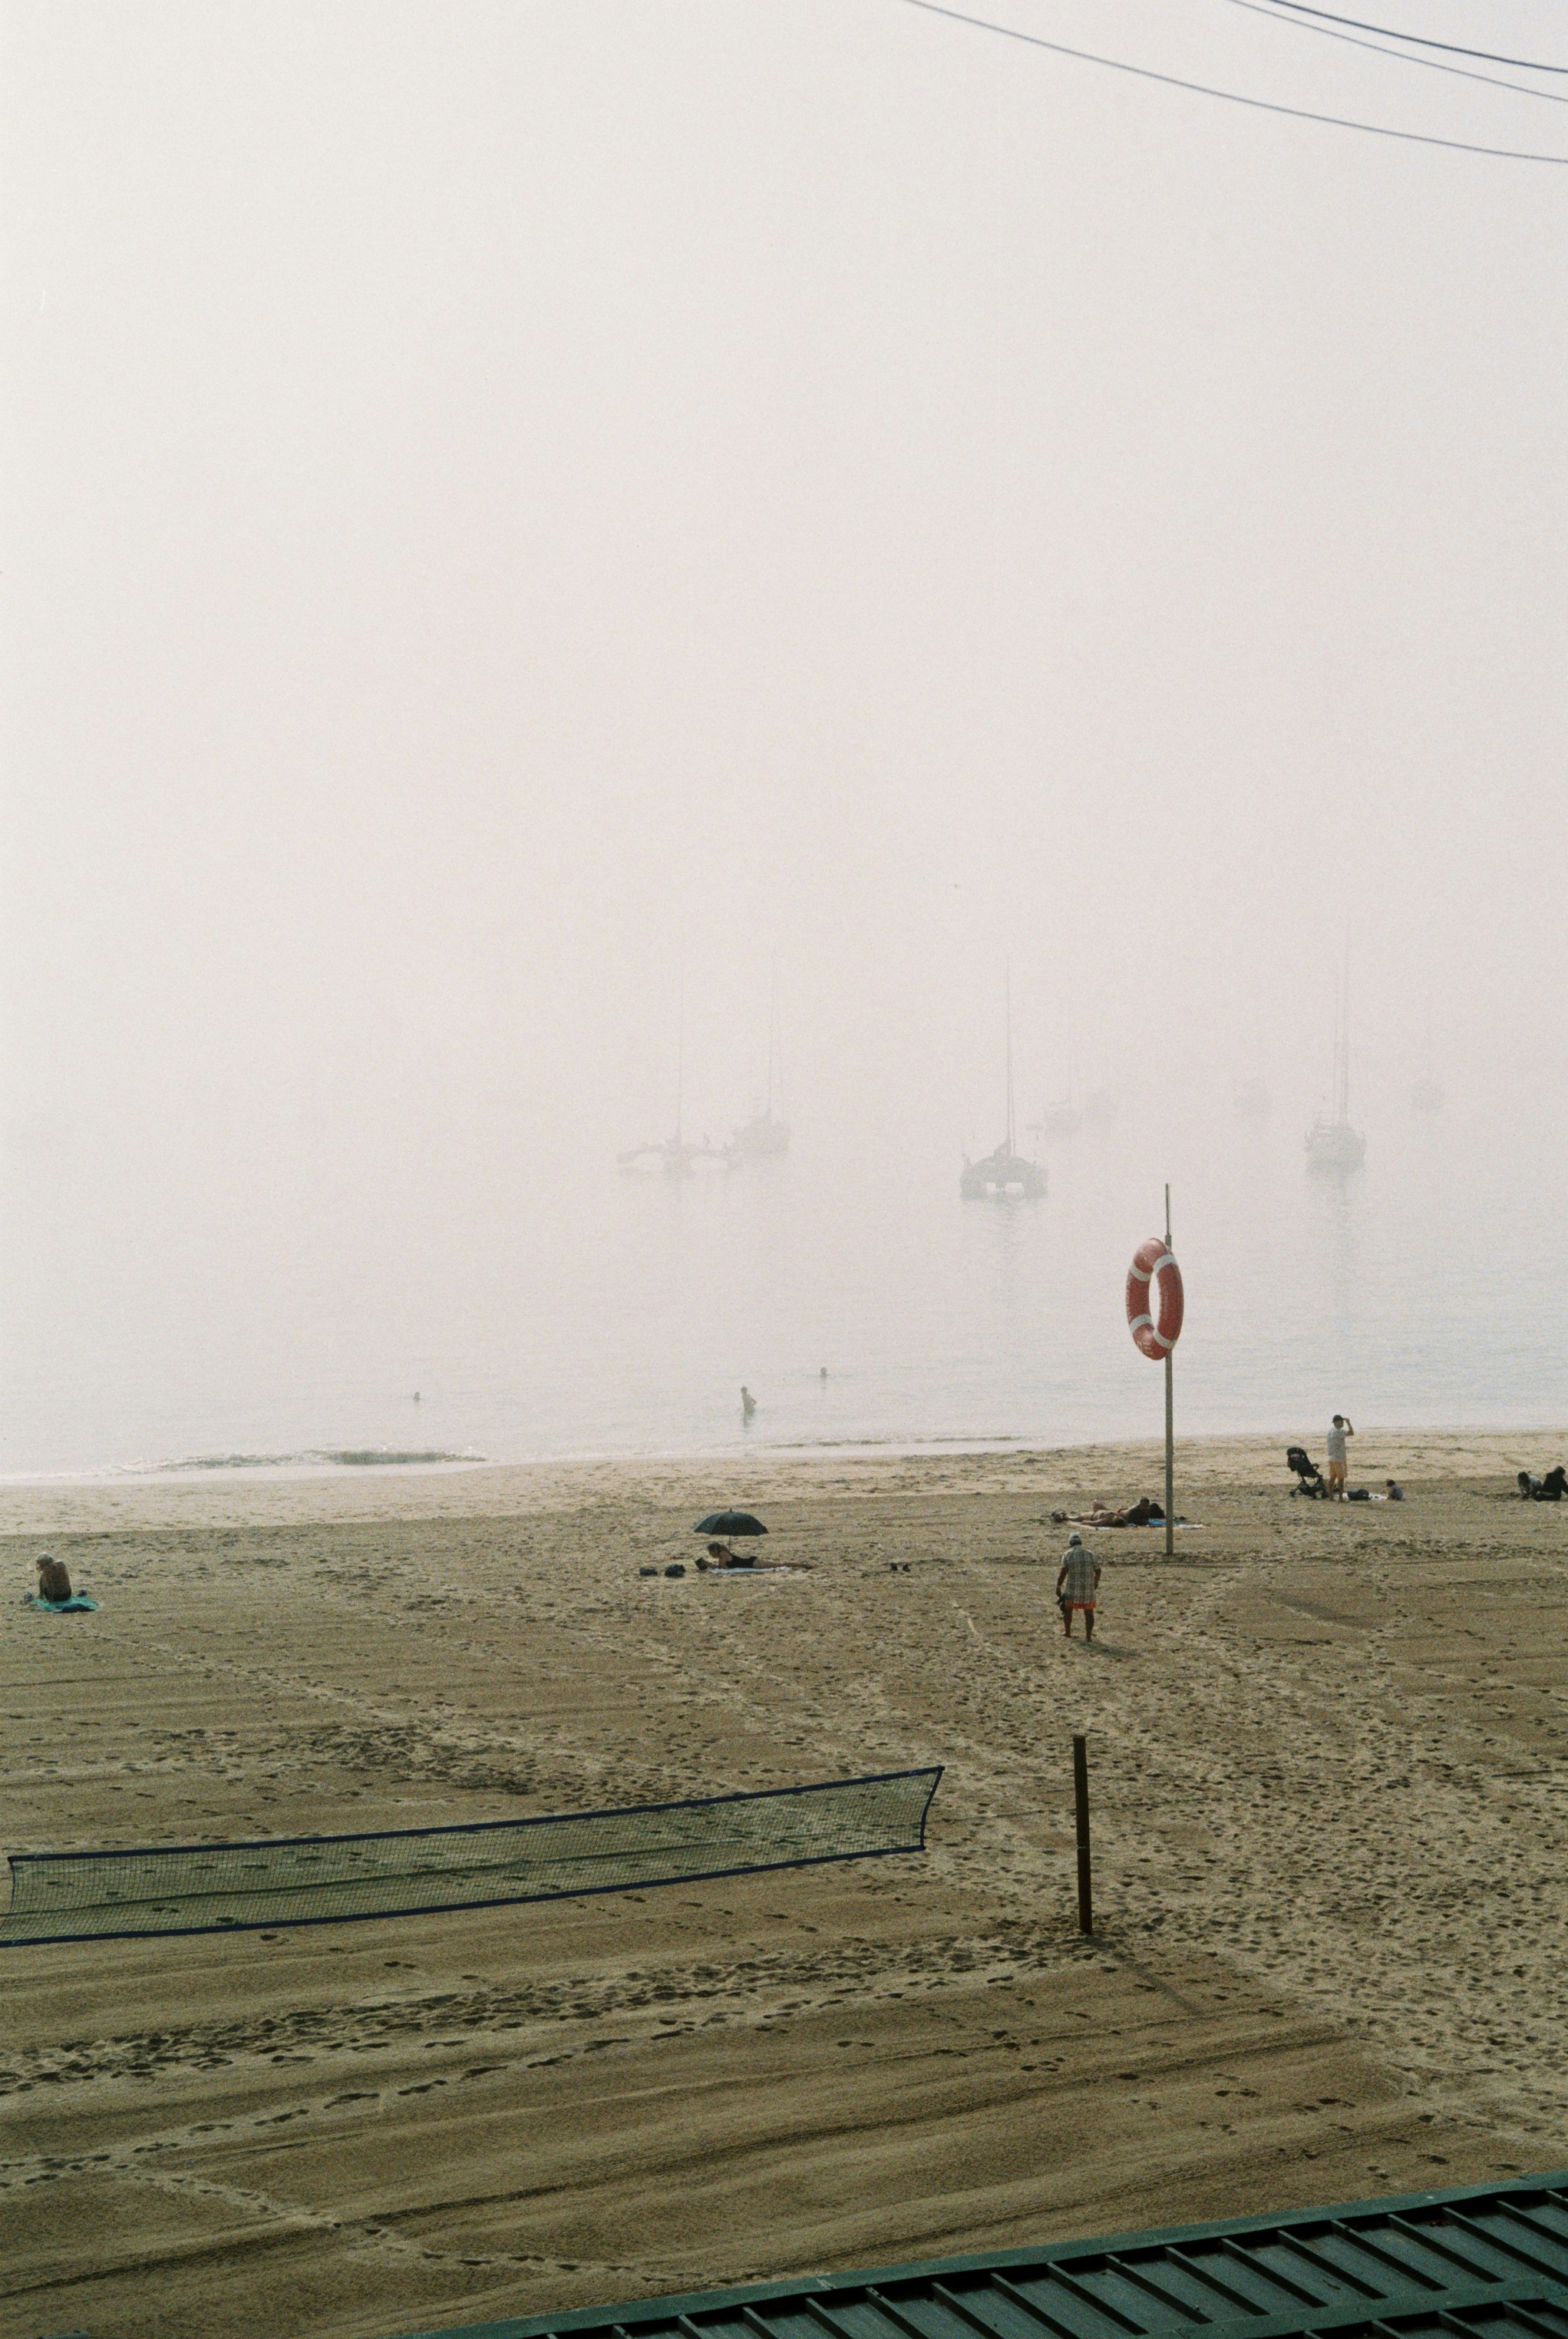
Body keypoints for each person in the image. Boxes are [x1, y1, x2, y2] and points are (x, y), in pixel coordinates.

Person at [1055, 1532, 1101, 1640]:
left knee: (1068, 1610)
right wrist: (1095, 1582)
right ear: (1081, 1542)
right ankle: (1088, 1637)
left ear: (1070, 1543)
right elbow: (1098, 1570)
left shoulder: (1067, 1554)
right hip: (1088, 1590)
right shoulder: (1090, 1553)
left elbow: (1063, 1572)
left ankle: (1068, 1632)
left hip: (1072, 1589)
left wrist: (1058, 1586)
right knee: (1089, 1613)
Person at [1325, 1415, 1354, 1498]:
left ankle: (1331, 1497)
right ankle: (1340, 1498)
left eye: (1342, 1421)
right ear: (1335, 1423)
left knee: (1332, 1478)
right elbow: (1351, 1433)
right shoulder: (1339, 1431)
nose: (1342, 1423)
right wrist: (1349, 1423)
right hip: (1339, 1458)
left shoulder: (1331, 1431)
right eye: (1340, 1421)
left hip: (1332, 1457)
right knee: (1341, 1479)